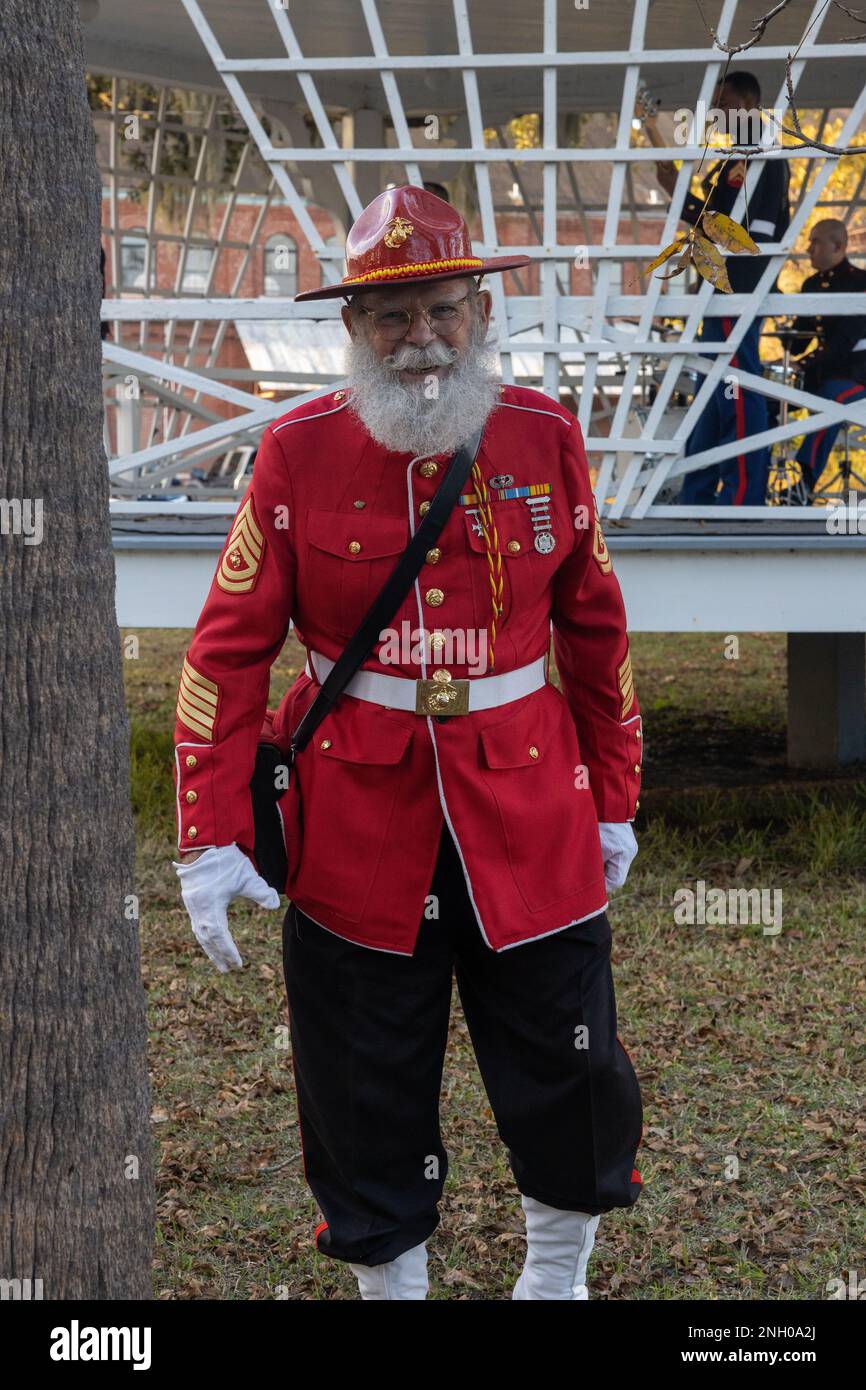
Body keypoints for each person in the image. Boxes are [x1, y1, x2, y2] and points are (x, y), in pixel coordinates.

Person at [172, 185, 644, 1301]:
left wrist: (613, 794)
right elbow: (224, 655)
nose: (421, 340)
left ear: (477, 309)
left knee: (565, 1061)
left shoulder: (543, 435)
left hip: (529, 812)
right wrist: (208, 833)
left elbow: (595, 628)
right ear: (350, 328)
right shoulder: (294, 451)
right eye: (391, 318)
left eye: (440, 309)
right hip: (353, 826)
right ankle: (391, 1291)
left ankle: (556, 1277)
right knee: (360, 1075)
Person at [656, 71, 791, 505]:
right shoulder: (735, 157)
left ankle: (743, 495)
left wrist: (681, 196)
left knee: (735, 386)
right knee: (712, 389)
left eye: (725, 104)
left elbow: (739, 234)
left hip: (737, 284)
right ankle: (699, 491)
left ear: (749, 103)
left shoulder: (759, 155)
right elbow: (714, 224)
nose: (718, 114)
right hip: (720, 284)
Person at [788, 219, 866, 492]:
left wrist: (802, 364)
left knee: (830, 401)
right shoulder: (810, 285)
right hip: (821, 373)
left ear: (837, 246)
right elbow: (799, 341)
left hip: (856, 377)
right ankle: (755, 476)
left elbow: (842, 344)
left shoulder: (861, 283)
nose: (809, 249)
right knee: (765, 401)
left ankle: (804, 484)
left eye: (815, 242)